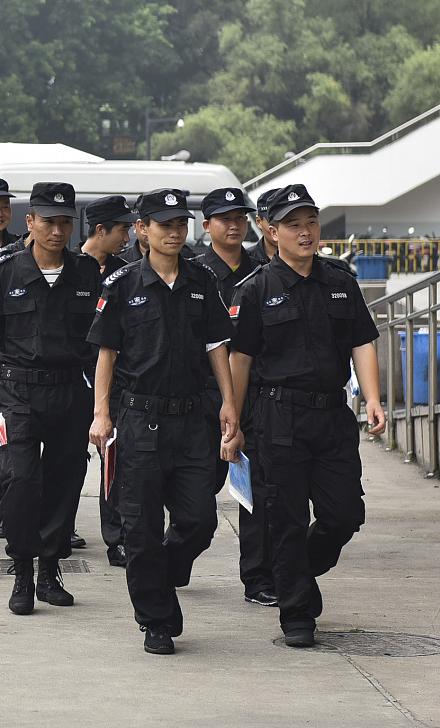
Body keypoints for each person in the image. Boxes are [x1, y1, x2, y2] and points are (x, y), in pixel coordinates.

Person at [226, 184, 386, 648]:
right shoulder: (256, 289)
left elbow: (362, 341)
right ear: (272, 232)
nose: (305, 232)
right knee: (286, 519)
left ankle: (297, 565)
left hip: (332, 417)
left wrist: (373, 397)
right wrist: (233, 420)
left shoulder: (340, 280)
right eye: (293, 224)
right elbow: (241, 359)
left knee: (344, 514)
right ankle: (297, 613)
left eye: (311, 222)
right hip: (279, 418)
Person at [87, 188, 239, 655]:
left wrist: (229, 404)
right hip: (139, 420)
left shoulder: (201, 281)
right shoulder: (121, 285)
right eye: (164, 225)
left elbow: (217, 345)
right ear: (142, 230)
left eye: (180, 224)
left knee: (199, 520)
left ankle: (167, 571)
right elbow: (106, 354)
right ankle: (156, 620)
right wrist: (101, 413)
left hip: (193, 418)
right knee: (141, 527)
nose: (175, 232)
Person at [0, 182, 102, 615]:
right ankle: (21, 569)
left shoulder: (86, 273)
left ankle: (49, 571)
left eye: (65, 223)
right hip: (17, 392)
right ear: (30, 222)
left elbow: (103, 344)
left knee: (64, 483)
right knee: (19, 480)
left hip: (70, 391)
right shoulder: (4, 271)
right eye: (48, 222)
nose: (57, 231)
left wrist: (103, 402)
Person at [195, 188, 275, 606]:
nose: (234, 225)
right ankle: (179, 551)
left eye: (240, 217)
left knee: (255, 489)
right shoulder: (192, 273)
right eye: (223, 218)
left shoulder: (267, 269)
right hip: (202, 397)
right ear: (206, 225)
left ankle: (258, 578)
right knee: (197, 492)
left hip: (256, 395)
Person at [79, 195, 139, 567]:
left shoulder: (128, 272)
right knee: (68, 461)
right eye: (122, 229)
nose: (128, 237)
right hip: (71, 380)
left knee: (116, 460)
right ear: (101, 230)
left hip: (116, 383)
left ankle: (117, 537)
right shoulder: (70, 268)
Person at [248, 189, 280, 266]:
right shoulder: (246, 261)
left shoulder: (308, 251)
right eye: (273, 221)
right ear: (259, 221)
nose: (280, 228)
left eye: (288, 221)